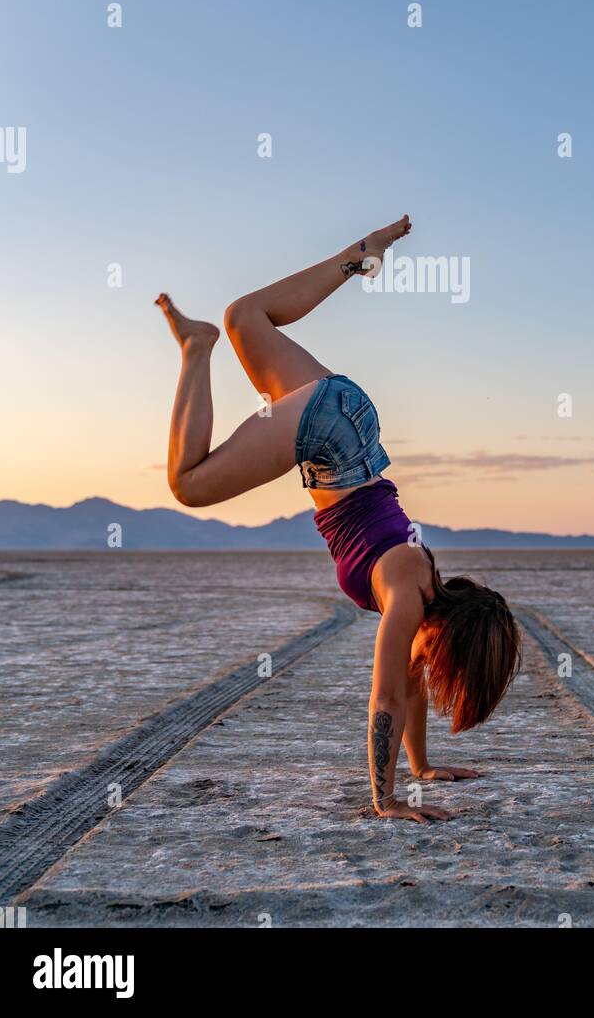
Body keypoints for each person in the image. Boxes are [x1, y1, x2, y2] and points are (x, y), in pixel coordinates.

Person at [156, 215, 520, 823]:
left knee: (245, 316)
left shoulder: (424, 585)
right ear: (449, 636)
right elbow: (385, 699)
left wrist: (423, 768)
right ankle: (196, 351)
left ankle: (360, 256)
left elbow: (409, 690)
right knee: (188, 484)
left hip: (352, 416)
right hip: (332, 444)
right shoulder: (407, 594)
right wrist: (387, 800)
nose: (434, 671)